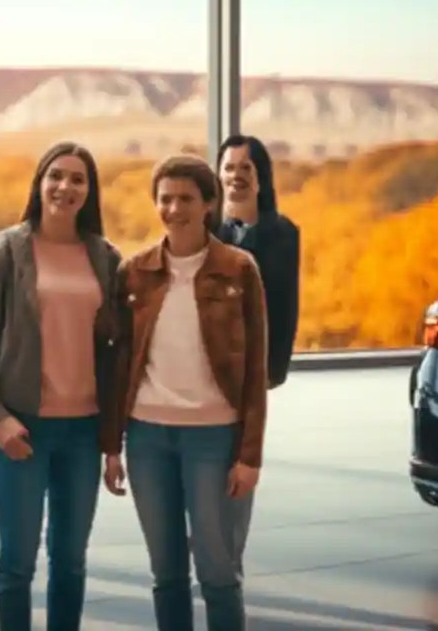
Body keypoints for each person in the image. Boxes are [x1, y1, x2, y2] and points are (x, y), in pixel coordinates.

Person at [101, 153, 268, 631]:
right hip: (148, 437)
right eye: (165, 199)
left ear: (209, 203)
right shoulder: (134, 273)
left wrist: (250, 455)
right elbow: (117, 366)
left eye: (186, 199)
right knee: (167, 575)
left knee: (217, 572)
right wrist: (112, 447)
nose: (175, 209)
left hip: (215, 440)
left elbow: (255, 371)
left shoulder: (239, 270)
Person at [0, 141, 122, 631]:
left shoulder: (105, 257)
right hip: (22, 429)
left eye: (78, 179)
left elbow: (117, 357)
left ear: (89, 192)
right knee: (18, 563)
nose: (65, 187)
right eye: (56, 175)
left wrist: (112, 442)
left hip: (83, 432)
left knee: (70, 562)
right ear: (40, 182)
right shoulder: (8, 250)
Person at [217, 134, 300, 389]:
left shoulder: (284, 234)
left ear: (261, 176)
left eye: (246, 167)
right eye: (229, 167)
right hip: (211, 368)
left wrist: (274, 371)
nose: (236, 175)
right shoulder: (204, 232)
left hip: (259, 370)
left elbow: (286, 306)